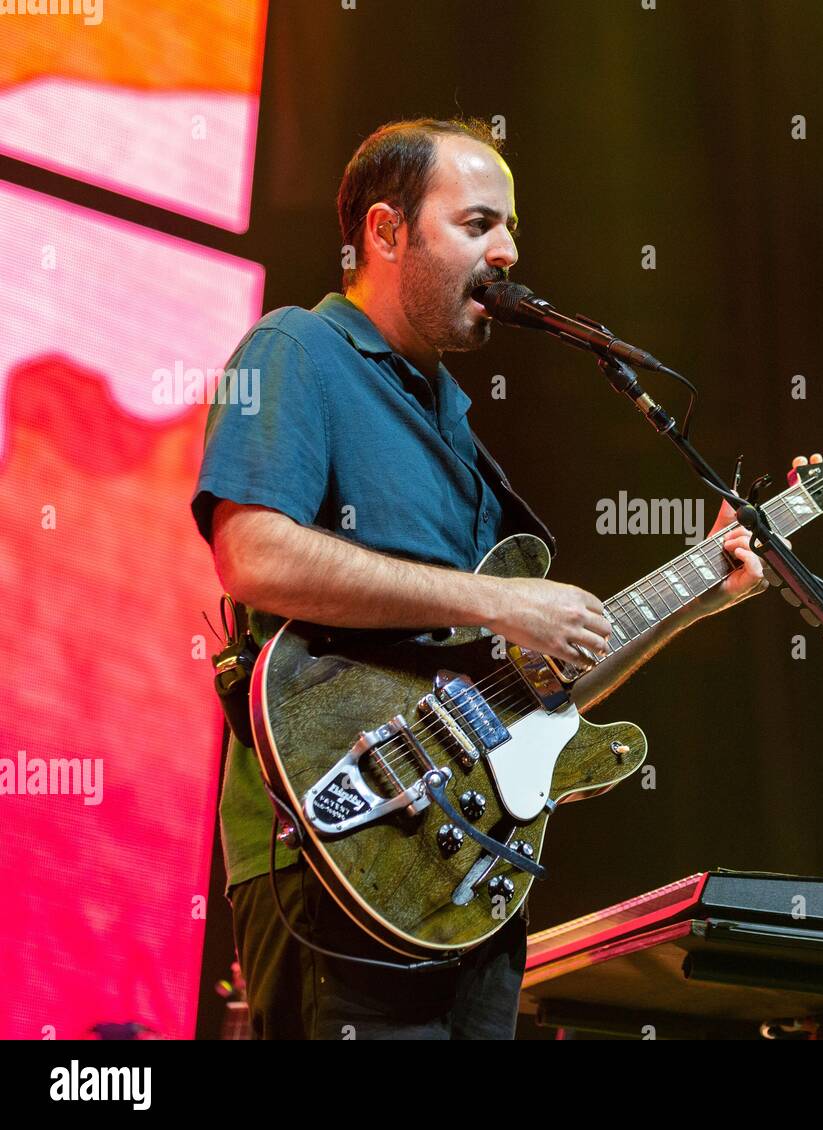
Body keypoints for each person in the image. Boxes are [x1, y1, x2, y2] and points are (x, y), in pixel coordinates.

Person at [190, 116, 770, 1039]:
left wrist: (712, 587)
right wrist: (496, 598)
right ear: (385, 232)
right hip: (334, 854)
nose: (505, 251)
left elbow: (530, 683)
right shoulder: (298, 350)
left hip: (468, 878)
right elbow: (253, 553)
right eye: (476, 224)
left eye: (509, 230)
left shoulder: (454, 428)